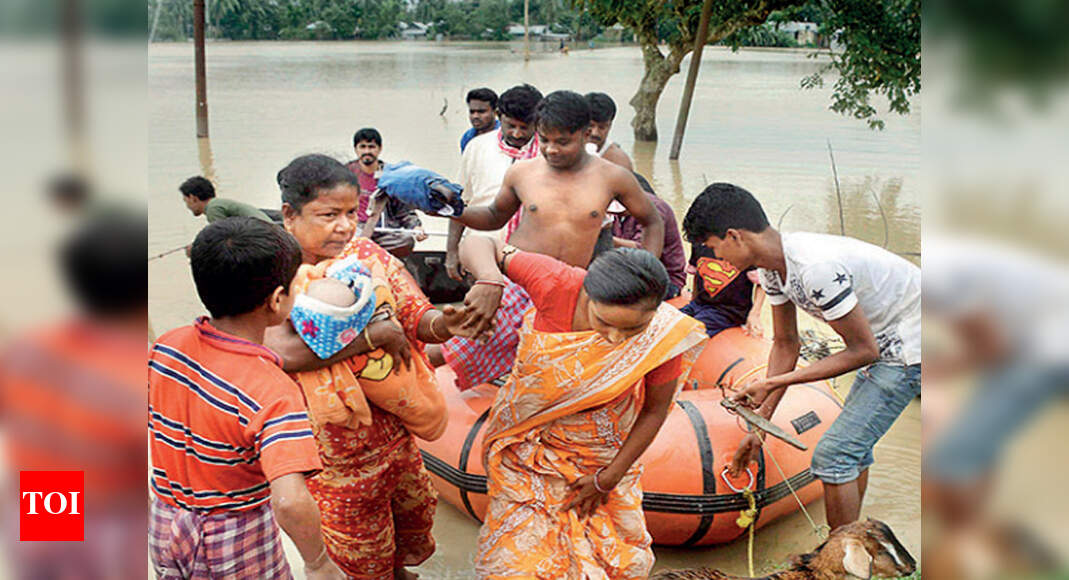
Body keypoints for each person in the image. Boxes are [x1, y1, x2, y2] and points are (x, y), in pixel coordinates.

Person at [263, 154, 471, 580]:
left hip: (396, 433)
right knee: (360, 559)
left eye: (350, 212)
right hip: (331, 458)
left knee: (409, 535)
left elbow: (415, 315)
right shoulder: (270, 272)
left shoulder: (366, 254)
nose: (344, 226)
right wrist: (372, 337)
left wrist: (448, 324)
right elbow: (278, 353)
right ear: (290, 214)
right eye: (328, 215)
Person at [458, 237, 706, 579]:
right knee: (519, 567)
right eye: (603, 321)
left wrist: (608, 479)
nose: (615, 338)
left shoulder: (662, 336)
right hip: (528, 452)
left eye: (633, 329)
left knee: (614, 562)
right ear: (587, 293)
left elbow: (654, 411)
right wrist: (489, 280)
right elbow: (479, 241)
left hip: (601, 460)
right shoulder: (556, 283)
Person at [681, 183, 921, 532]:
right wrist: (760, 426)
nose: (717, 258)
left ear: (734, 236)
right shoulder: (772, 269)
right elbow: (786, 344)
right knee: (853, 450)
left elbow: (863, 350)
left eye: (715, 247)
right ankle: (855, 543)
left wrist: (774, 382)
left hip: (912, 341)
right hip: (884, 338)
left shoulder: (814, 269)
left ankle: (839, 556)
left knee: (835, 456)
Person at [148, 217, 345, 579]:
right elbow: (289, 501)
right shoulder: (273, 392)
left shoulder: (166, 346)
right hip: (234, 537)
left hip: (165, 520)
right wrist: (319, 562)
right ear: (277, 300)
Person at [453, 90, 665, 339]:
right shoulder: (522, 172)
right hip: (518, 283)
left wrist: (645, 278)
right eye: (544, 140)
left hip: (569, 291)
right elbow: (493, 217)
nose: (551, 149)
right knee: (463, 347)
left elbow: (652, 221)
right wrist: (452, 210)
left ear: (586, 134)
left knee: (552, 356)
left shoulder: (613, 176)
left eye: (562, 142)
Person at [433, 84, 543, 390]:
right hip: (479, 249)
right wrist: (451, 252)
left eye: (525, 127)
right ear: (499, 117)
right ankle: (483, 375)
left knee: (526, 325)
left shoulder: (548, 154)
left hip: (527, 256)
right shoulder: (477, 147)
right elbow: (462, 202)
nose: (518, 134)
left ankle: (517, 375)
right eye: (511, 126)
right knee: (481, 319)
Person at [345, 128, 427, 258]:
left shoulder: (391, 176)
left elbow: (403, 209)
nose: (367, 151)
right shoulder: (345, 174)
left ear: (380, 149)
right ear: (356, 149)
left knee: (406, 241)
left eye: (371, 147)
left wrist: (415, 227)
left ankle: (371, 253)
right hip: (354, 229)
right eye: (363, 147)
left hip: (384, 231)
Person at [610, 172, 687, 298]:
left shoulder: (655, 209)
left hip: (664, 280)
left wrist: (606, 239)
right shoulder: (617, 210)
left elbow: (644, 253)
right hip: (631, 273)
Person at [179, 175, 274, 224]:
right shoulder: (217, 204)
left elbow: (221, 238)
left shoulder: (212, 209)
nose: (187, 206)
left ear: (193, 198)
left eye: (185, 201)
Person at [584, 92, 633, 171]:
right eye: (590, 126)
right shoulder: (568, 151)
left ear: (610, 126)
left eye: (602, 127)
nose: (595, 133)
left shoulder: (619, 161)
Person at [460, 87, 500, 153]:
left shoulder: (504, 136)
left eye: (481, 112)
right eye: (472, 112)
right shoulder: (467, 137)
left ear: (495, 112)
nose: (475, 116)